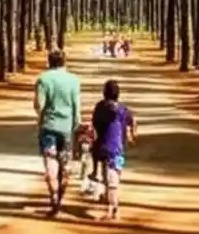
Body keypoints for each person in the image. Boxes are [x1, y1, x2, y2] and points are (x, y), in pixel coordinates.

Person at [33, 49, 81, 217]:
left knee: (50, 160)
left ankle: (53, 195)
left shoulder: (43, 79)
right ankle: (60, 196)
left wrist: (40, 118)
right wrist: (76, 125)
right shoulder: (74, 80)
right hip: (66, 128)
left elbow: (39, 105)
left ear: (49, 62)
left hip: (48, 126)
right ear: (64, 62)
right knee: (65, 164)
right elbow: (76, 106)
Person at [91, 80, 137, 220]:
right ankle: (112, 203)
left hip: (102, 148)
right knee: (114, 177)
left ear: (104, 93)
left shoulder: (100, 107)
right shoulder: (123, 109)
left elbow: (94, 125)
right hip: (118, 149)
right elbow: (133, 121)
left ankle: (113, 206)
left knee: (109, 179)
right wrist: (132, 135)